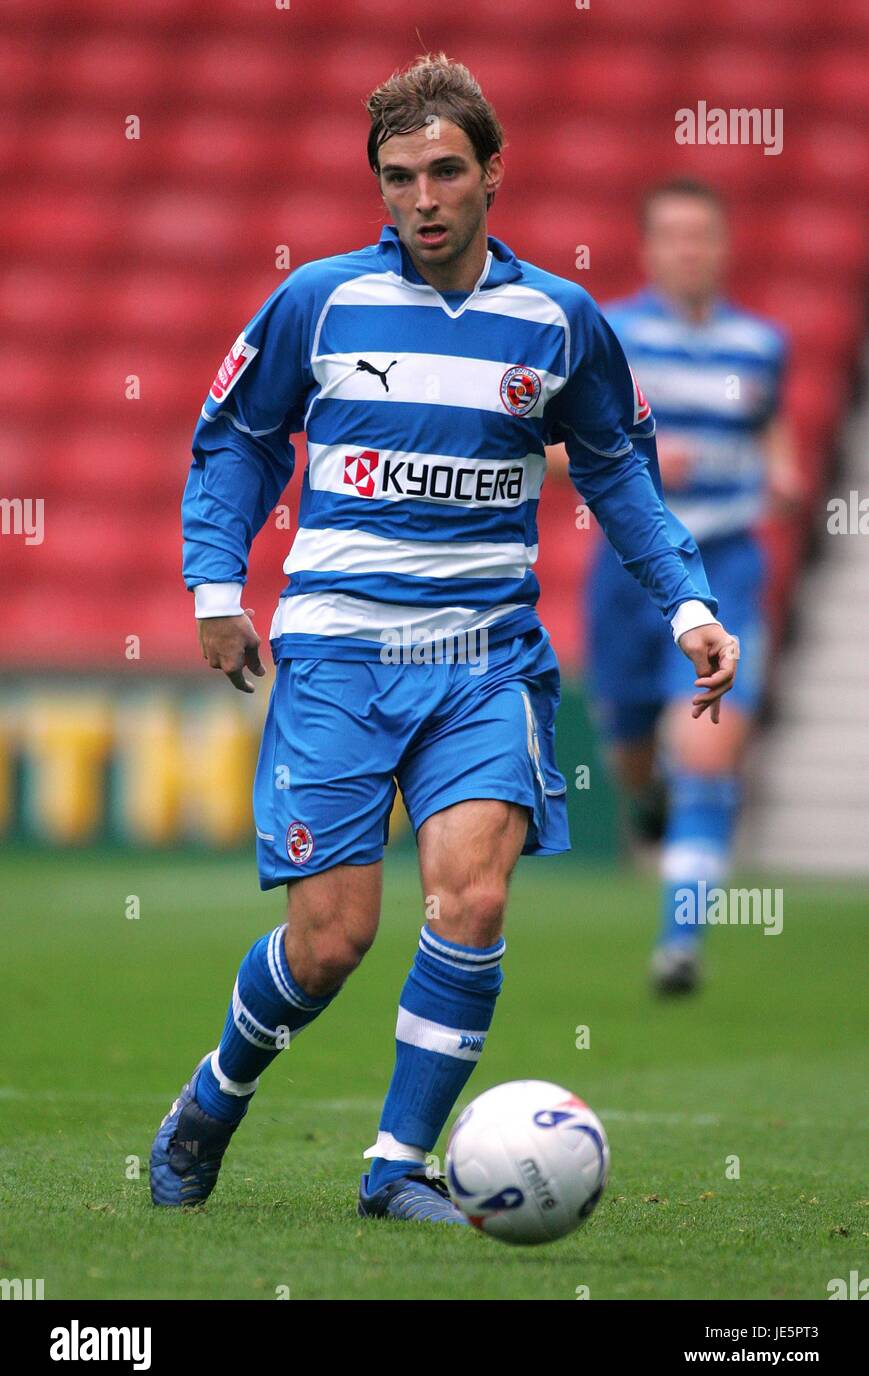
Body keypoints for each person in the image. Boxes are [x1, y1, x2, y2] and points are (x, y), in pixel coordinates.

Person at [150, 58, 737, 1221]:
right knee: (329, 943)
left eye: (444, 172)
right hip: (336, 660)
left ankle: (394, 1168)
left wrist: (688, 603)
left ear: (491, 173)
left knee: (469, 900)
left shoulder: (560, 322)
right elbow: (236, 443)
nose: (421, 198)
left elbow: (618, 473)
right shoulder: (318, 300)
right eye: (398, 177)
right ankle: (217, 1091)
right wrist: (215, 586)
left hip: (483, 660)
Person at [548, 177, 798, 995]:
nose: (690, 250)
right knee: (625, 743)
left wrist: (786, 476)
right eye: (674, 236)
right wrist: (632, 468)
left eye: (703, 236)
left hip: (723, 562)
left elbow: (772, 433)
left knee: (707, 745)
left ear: (723, 248)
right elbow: (548, 449)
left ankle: (679, 941)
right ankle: (642, 794)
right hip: (630, 568)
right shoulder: (609, 336)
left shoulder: (759, 345)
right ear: (650, 248)